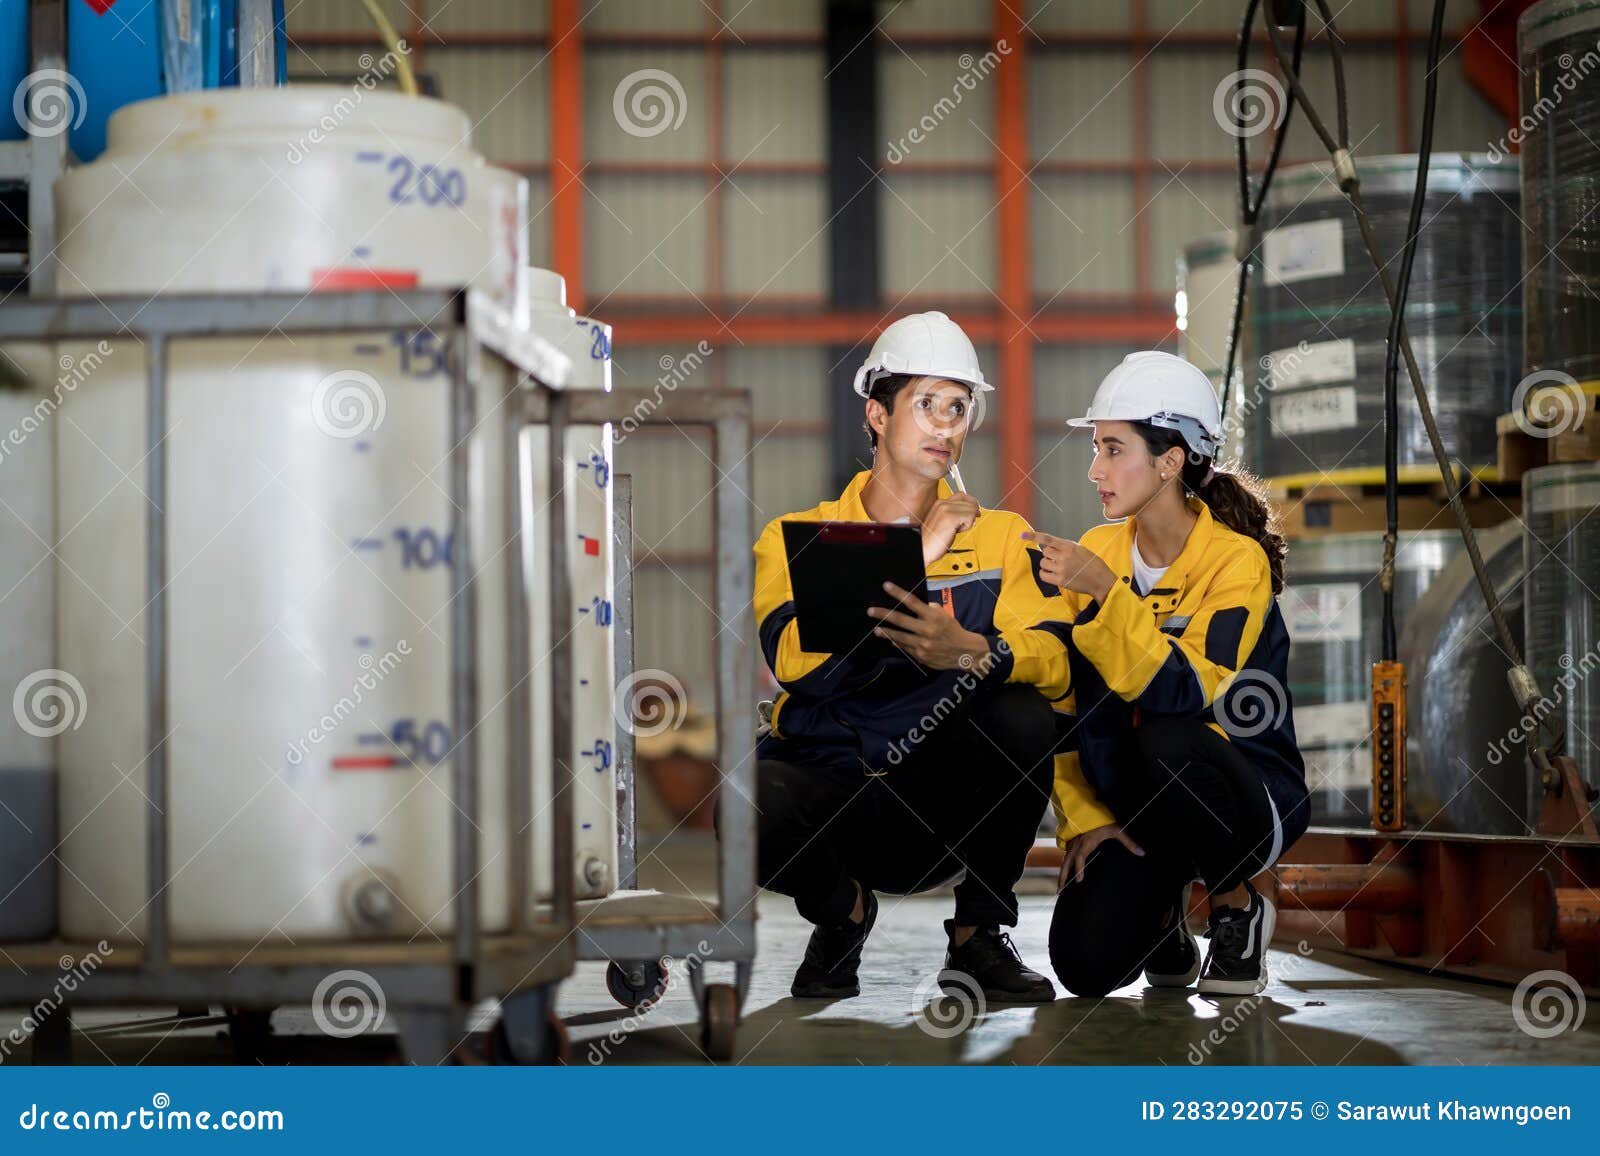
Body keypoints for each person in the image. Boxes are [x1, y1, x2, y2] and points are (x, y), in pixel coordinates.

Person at [753, 311, 1071, 1004]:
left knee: (1022, 714)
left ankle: (978, 939)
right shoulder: (799, 539)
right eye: (925, 404)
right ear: (876, 413)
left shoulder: (999, 537)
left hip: (939, 805)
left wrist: (980, 651)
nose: (945, 426)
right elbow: (794, 662)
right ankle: (845, 915)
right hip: (836, 789)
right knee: (744, 802)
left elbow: (1057, 655)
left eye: (958, 407)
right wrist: (914, 557)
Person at [1029, 351, 1309, 998]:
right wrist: (1083, 820)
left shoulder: (1235, 564)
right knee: (1085, 965)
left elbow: (1185, 689)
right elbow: (1062, 699)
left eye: (1112, 449)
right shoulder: (1096, 552)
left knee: (1167, 734)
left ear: (1171, 460)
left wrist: (1107, 597)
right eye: (1096, 448)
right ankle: (1168, 921)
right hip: (1138, 804)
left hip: (1244, 795)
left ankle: (1237, 903)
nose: (1095, 470)